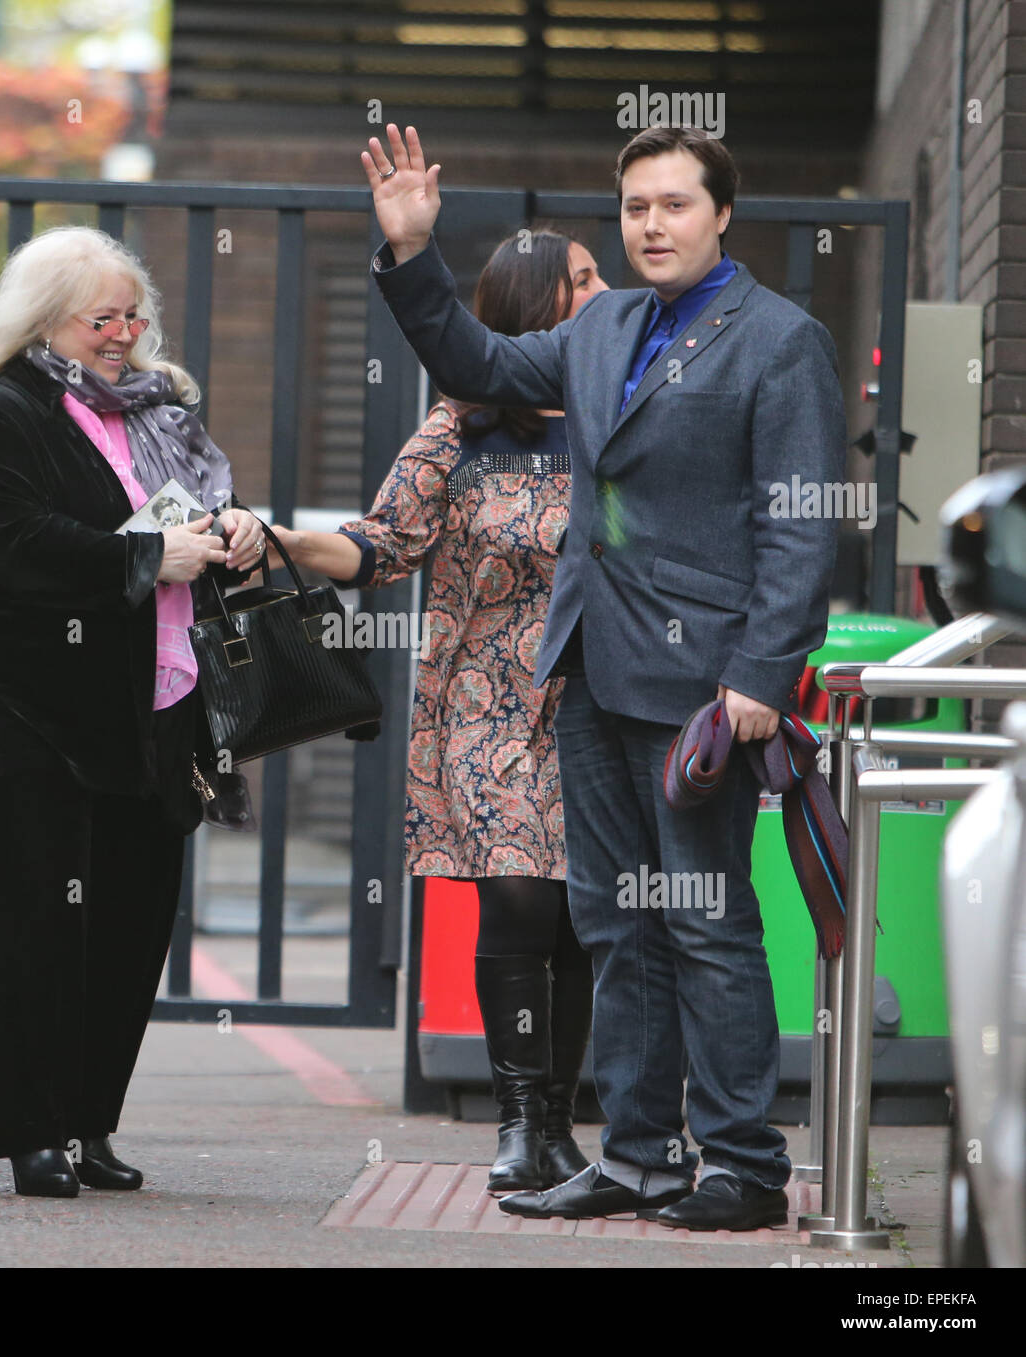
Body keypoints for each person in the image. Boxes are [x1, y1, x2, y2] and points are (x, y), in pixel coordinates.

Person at [362, 124, 846, 1231]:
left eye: (675, 205)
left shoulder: (779, 341)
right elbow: (477, 365)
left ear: (723, 214)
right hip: (587, 670)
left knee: (707, 924)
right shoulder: (603, 326)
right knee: (614, 924)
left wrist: (765, 669)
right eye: (635, 208)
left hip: (707, 690)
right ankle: (637, 1157)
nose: (652, 226)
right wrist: (412, 253)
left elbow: (798, 525)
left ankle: (741, 1165)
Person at [0, 226, 266, 1197]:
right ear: (44, 319)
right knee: (27, 926)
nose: (121, 333)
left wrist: (226, 531)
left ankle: (90, 1122)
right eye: (98, 317)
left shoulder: (157, 407)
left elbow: (186, 502)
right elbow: (5, 542)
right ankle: (32, 1133)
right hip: (18, 711)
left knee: (128, 923)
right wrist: (146, 560)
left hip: (148, 706)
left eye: (131, 314)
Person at [269, 228, 607, 1192]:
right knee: (517, 893)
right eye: (580, 281)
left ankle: (558, 1124)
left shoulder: (615, 417)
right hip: (483, 705)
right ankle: (513, 1123)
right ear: (533, 307)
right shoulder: (461, 427)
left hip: (588, 698)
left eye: (597, 276)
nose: (601, 291)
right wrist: (281, 543)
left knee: (581, 917)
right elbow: (381, 546)